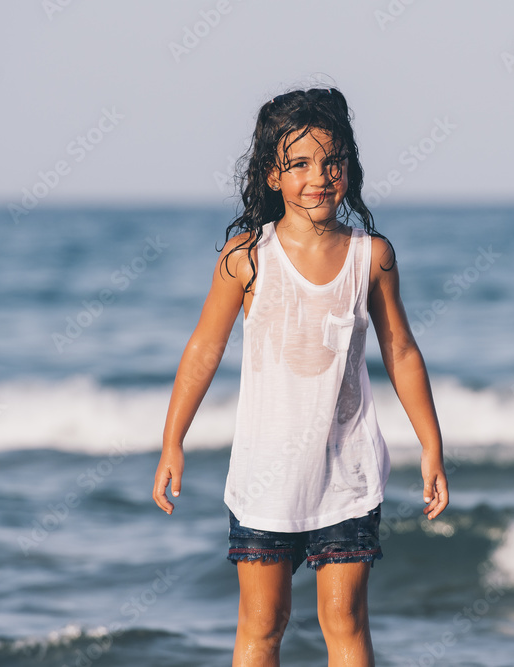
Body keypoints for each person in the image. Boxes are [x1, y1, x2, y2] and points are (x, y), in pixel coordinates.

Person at [153, 86, 448, 666]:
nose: (319, 176)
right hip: (266, 476)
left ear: (349, 168)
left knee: (346, 626)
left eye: (332, 160)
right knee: (263, 628)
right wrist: (172, 440)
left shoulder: (373, 256)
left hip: (347, 472)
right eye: (300, 163)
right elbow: (202, 351)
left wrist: (432, 445)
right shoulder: (246, 258)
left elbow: (402, 351)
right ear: (271, 175)